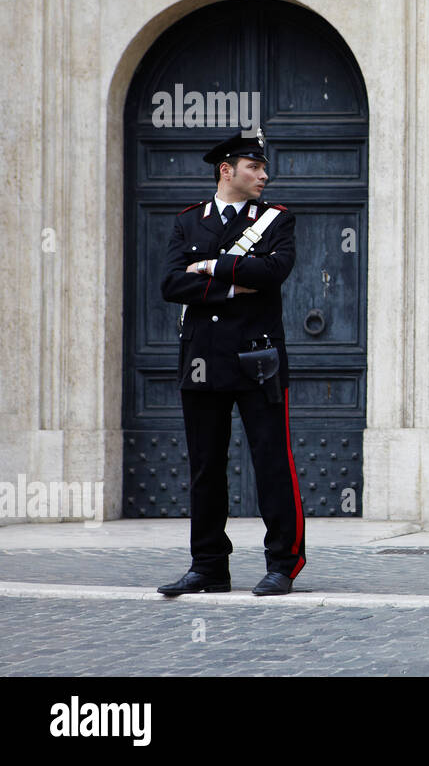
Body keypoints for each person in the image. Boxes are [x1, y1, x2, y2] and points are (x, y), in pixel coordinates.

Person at [156, 128, 305, 596]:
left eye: (263, 167)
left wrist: (210, 267)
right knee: (205, 465)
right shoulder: (188, 221)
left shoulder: (276, 220)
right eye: (254, 167)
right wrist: (231, 285)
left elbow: (273, 271)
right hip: (202, 358)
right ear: (227, 170)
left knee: (271, 461)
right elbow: (169, 284)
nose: (264, 175)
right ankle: (209, 566)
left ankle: (283, 563)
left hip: (258, 357)